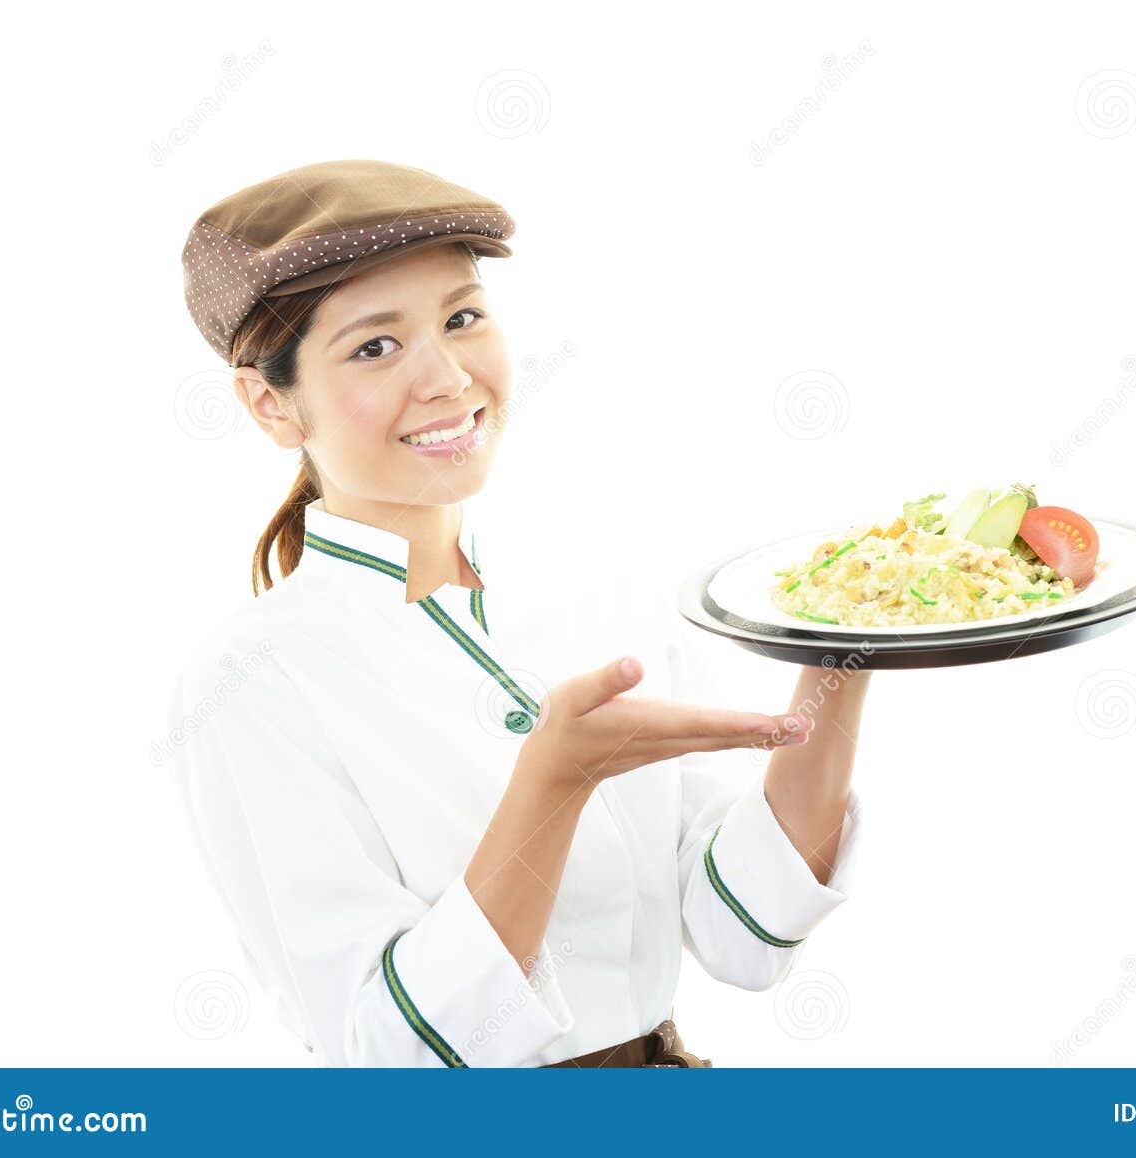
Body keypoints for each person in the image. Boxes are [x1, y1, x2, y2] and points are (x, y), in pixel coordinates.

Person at [166, 160, 869, 1067]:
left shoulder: (598, 586)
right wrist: (554, 784)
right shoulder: (251, 680)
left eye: (462, 318)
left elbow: (751, 934)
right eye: (375, 347)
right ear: (270, 402)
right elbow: (393, 1055)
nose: (448, 378)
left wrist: (842, 648)